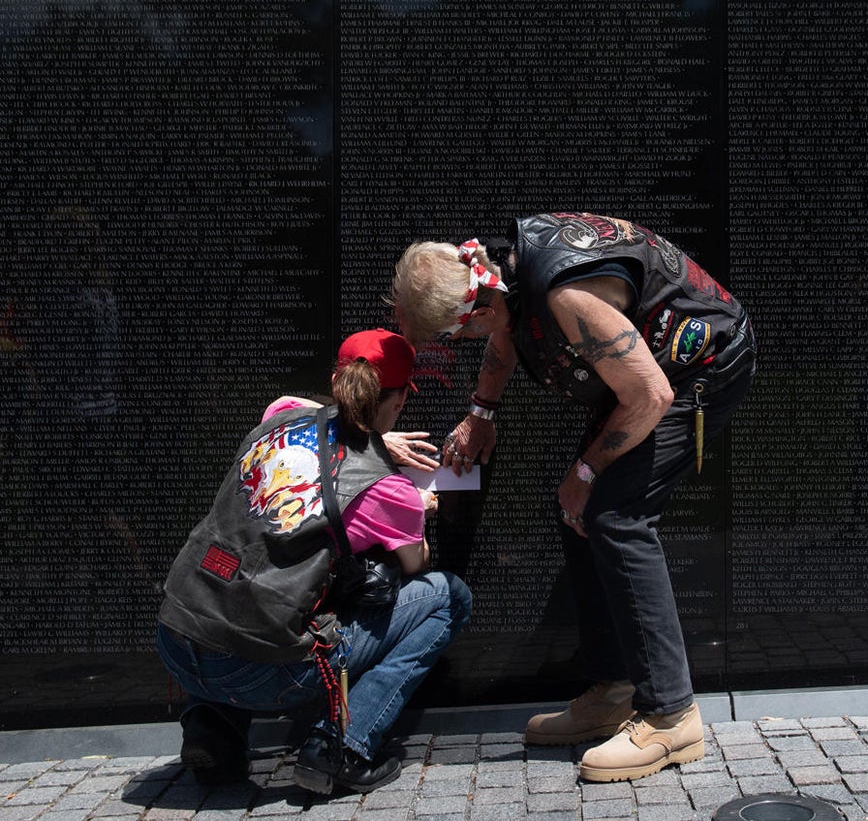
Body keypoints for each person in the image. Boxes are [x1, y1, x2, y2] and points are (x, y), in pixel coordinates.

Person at [389, 212, 756, 782]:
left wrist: (586, 471)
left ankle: (670, 716)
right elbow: (506, 328)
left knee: (616, 516)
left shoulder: (567, 298)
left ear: (477, 309)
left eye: (454, 335)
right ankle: (615, 690)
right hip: (645, 373)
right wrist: (481, 412)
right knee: (577, 512)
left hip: (694, 368)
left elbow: (651, 396)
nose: (459, 343)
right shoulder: (495, 267)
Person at [156, 329, 472, 794]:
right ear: (402, 399)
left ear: (336, 381)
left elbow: (288, 402)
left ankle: (213, 728)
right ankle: (340, 748)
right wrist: (420, 506)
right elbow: (415, 565)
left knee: (247, 586)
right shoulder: (389, 489)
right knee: (448, 596)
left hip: (178, 637)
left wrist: (371, 431)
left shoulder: (277, 421)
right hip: (260, 669)